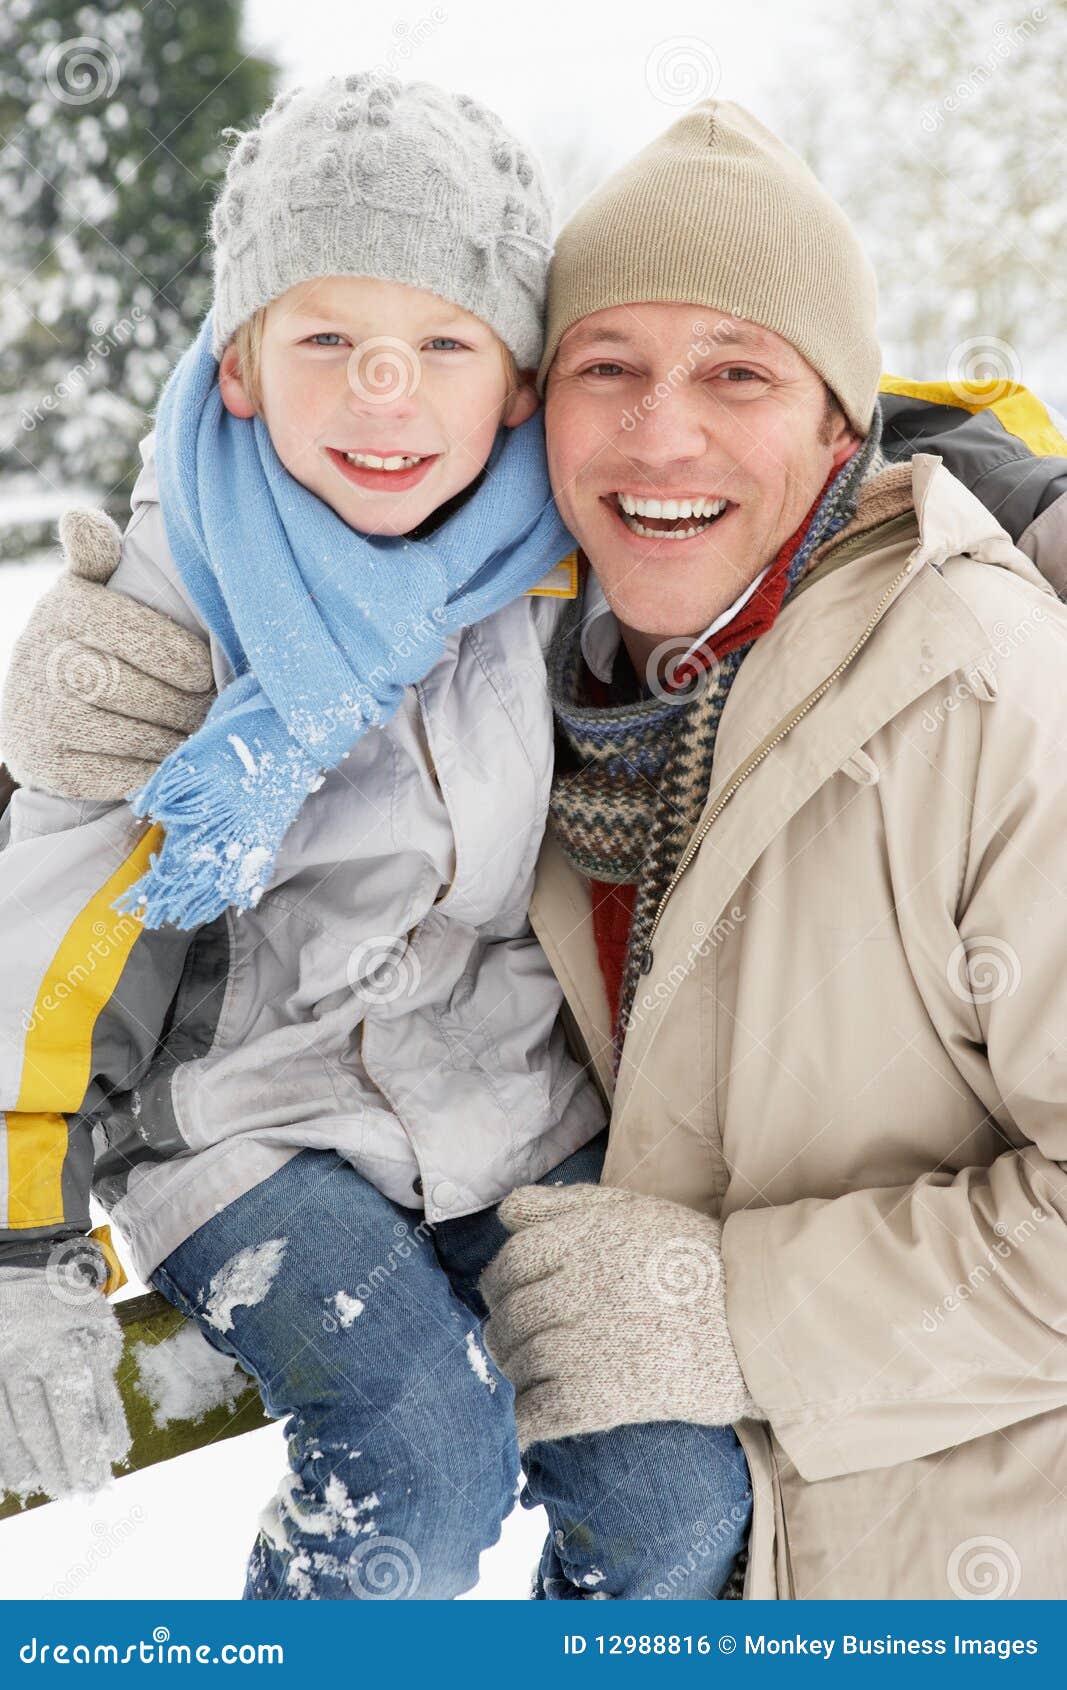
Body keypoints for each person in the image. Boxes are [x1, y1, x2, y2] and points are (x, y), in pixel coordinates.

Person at [9, 98, 1067, 1601]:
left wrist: (1035, 504)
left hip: (936, 1532)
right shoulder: (427, 602)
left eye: (446, 346)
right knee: (426, 1465)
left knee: (648, 1495)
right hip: (276, 1130)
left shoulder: (950, 678)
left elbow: (857, 422)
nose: (659, 434)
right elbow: (66, 904)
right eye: (605, 371)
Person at [0, 75, 753, 1602]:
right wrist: (18, 1245)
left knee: (678, 1488)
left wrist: (1004, 473)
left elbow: (792, 445)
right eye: (327, 338)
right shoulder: (167, 603)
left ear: (522, 382)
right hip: (246, 1120)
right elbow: (49, 931)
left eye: (444, 344)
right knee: (416, 1449)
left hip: (514, 1104)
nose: (385, 391)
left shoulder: (565, 556)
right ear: (240, 367)